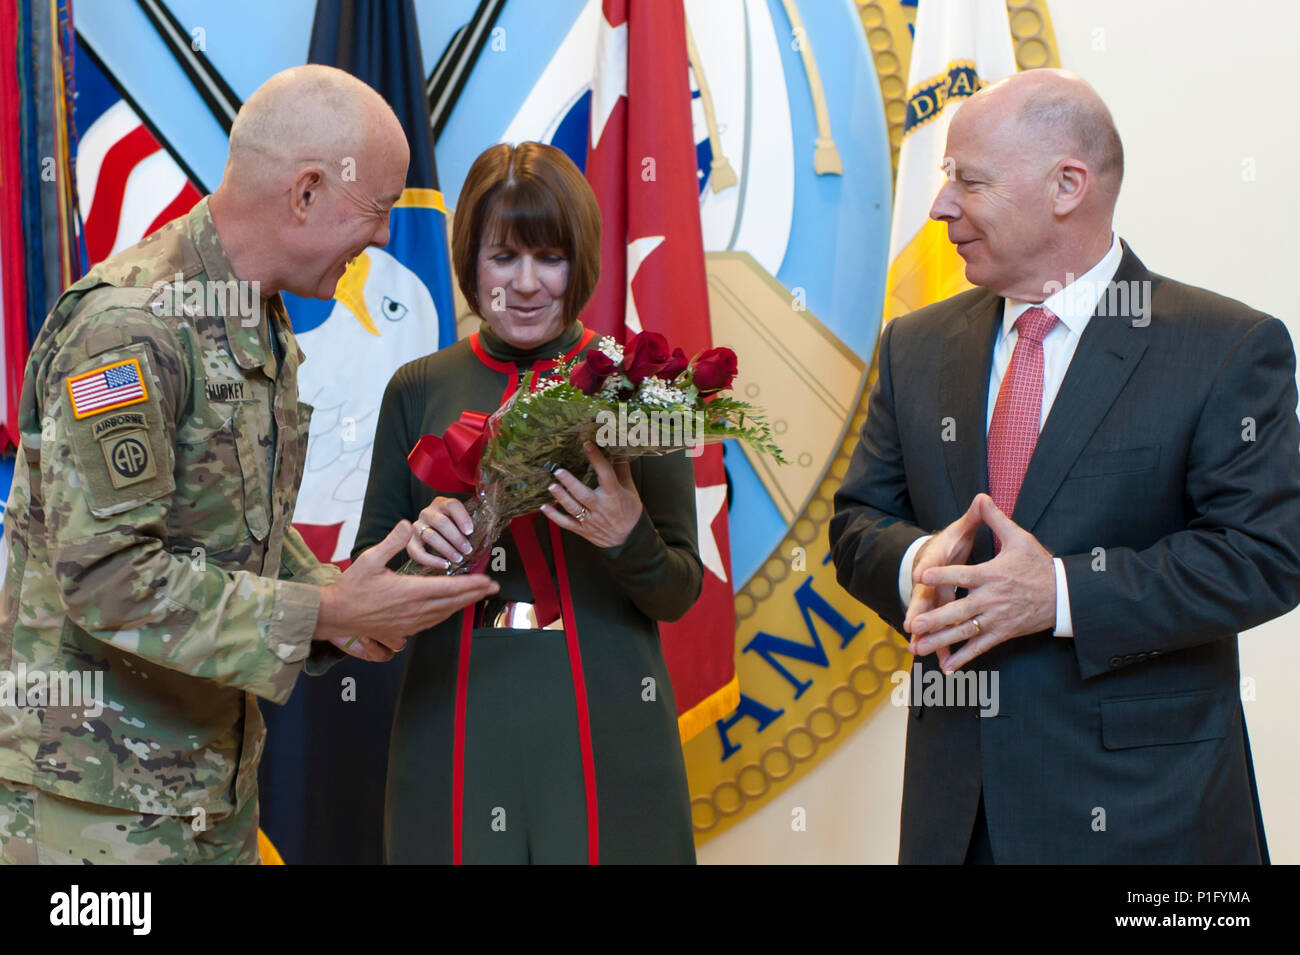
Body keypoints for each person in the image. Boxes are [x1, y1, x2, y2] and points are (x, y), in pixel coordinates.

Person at [0, 65, 497, 865]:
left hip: (208, 789)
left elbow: (234, 533)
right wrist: (327, 614)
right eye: (375, 210)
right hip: (90, 807)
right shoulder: (127, 329)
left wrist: (350, 597)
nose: (380, 238)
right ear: (306, 193)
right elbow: (110, 576)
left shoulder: (253, 312)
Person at [829, 68, 1300, 864]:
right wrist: (918, 562)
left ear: (1067, 186)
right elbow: (855, 523)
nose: (941, 206)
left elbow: (1265, 555)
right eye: (945, 178)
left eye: (967, 181)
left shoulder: (1225, 347)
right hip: (958, 818)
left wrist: (1060, 594)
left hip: (1149, 821)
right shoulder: (915, 346)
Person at [354, 141, 702, 864]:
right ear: (468, 260)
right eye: (503, 256)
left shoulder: (640, 389)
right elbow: (365, 590)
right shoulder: (414, 388)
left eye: (550, 257)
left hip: (608, 719)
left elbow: (679, 592)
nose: (527, 283)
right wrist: (416, 545)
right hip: (452, 710)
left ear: (581, 262)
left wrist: (627, 535)